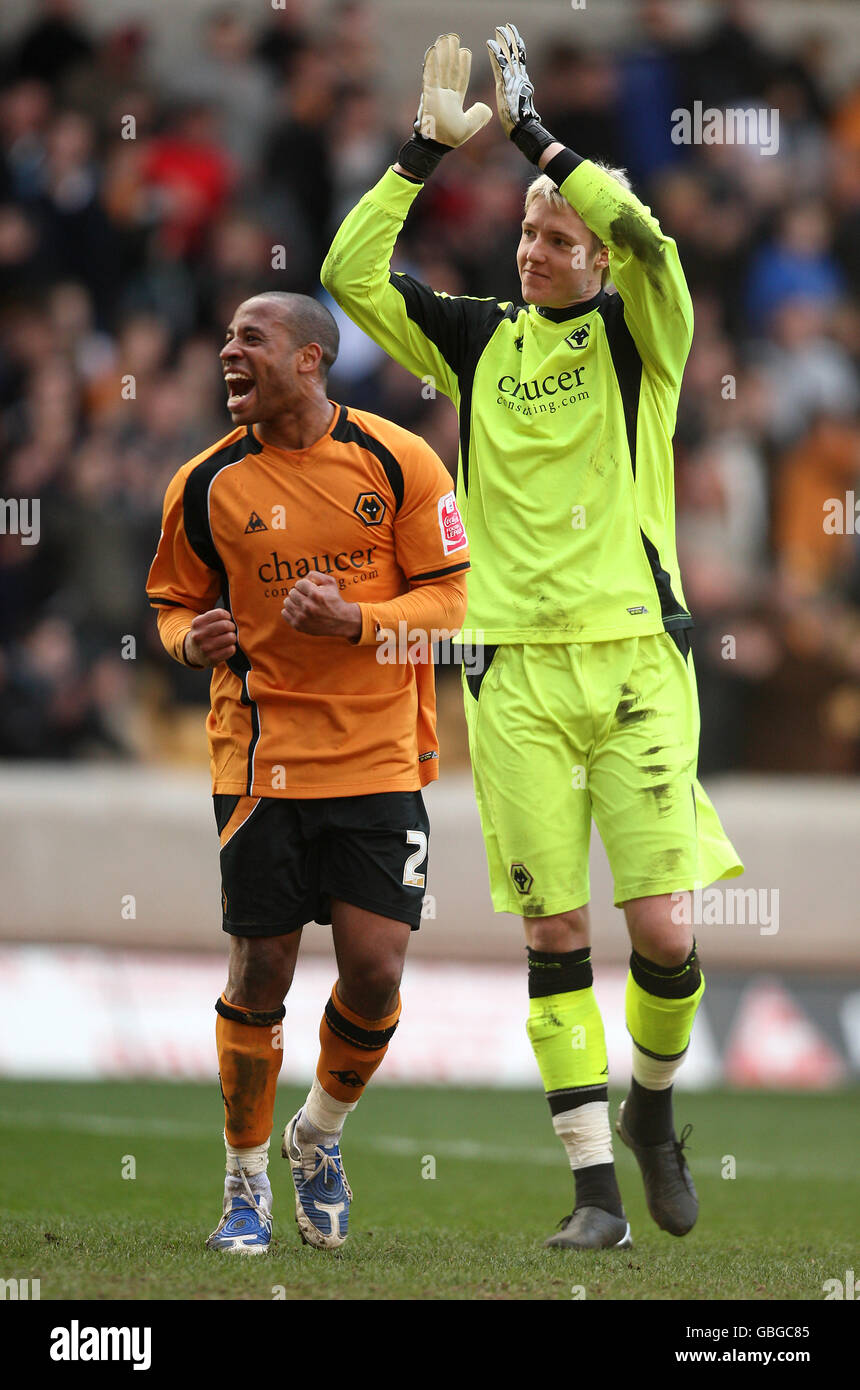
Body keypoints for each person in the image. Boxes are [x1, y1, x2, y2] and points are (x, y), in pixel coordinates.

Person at [321, 26, 743, 1251]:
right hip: (507, 668)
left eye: (558, 236)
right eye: (524, 232)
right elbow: (350, 276)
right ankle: (593, 1196)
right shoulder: (472, 339)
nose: (536, 248)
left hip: (627, 663)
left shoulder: (639, 337)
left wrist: (534, 134)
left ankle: (652, 1109)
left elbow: (652, 232)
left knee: (661, 931)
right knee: (552, 932)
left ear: (597, 258)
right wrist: (423, 151)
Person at [146, 291, 469, 1252]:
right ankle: (243, 1185)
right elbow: (169, 604)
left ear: (312, 360)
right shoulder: (203, 484)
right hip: (260, 762)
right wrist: (186, 643)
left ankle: (317, 1137)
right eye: (227, 338)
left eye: (253, 338)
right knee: (262, 970)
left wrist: (358, 623)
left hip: (377, 758)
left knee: (373, 973)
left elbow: (456, 602)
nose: (227, 350)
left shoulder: (399, 460)